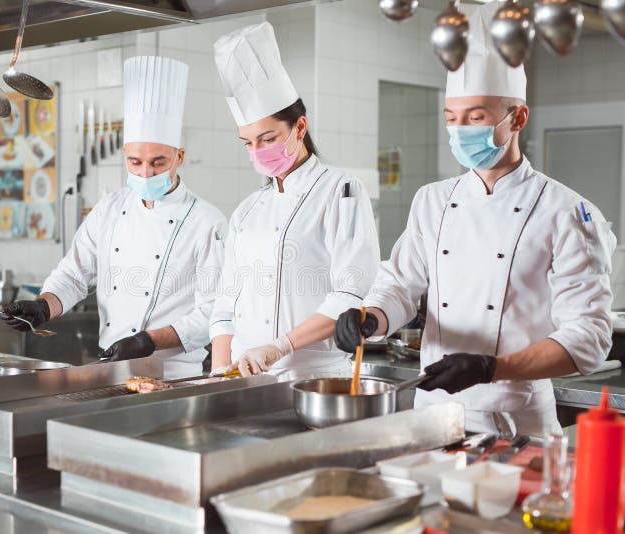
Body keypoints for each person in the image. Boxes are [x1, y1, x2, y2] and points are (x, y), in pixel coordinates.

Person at [335, 1, 616, 436]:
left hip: (515, 421)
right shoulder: (432, 200)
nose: (461, 131)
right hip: (430, 413)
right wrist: (371, 316)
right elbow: (400, 285)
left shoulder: (566, 213)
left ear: (518, 117)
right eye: (452, 119)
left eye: (476, 118)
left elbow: (590, 336)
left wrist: (492, 367)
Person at [2, 56, 226, 379]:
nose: (145, 173)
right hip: (112, 369)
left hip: (175, 376)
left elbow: (213, 313)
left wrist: (149, 340)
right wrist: (43, 307)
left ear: (180, 157)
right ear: (125, 156)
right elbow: (74, 274)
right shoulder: (109, 209)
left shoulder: (207, 222)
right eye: (135, 162)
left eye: (158, 163)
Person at [209, 22, 380, 381]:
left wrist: (279, 346)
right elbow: (225, 305)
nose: (257, 152)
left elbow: (351, 292)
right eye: (248, 142)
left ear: (299, 128)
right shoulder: (247, 210)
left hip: (313, 379)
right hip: (243, 378)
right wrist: (219, 369)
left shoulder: (341, 190)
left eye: (267, 138)